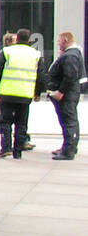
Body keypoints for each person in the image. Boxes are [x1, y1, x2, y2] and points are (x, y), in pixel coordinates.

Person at [0, 28, 46, 159]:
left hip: (7, 93)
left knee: (6, 121)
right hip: (25, 94)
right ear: (29, 40)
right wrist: (38, 93)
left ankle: (6, 148)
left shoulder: (7, 52)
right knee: (21, 123)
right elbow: (41, 76)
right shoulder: (36, 55)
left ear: (17, 39)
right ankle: (18, 151)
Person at [46, 31, 84, 160]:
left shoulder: (70, 56)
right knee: (68, 120)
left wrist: (60, 91)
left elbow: (70, 76)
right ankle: (69, 146)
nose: (57, 43)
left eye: (59, 41)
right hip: (69, 93)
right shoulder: (71, 54)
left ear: (66, 40)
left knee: (69, 121)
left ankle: (68, 150)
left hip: (66, 94)